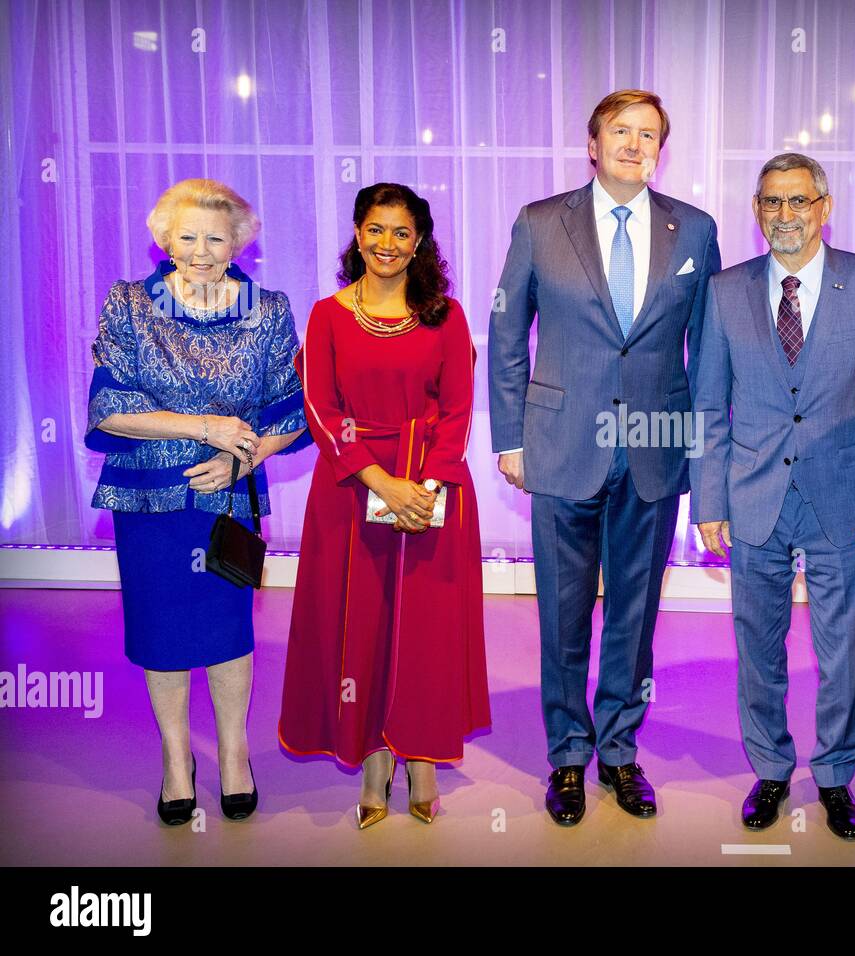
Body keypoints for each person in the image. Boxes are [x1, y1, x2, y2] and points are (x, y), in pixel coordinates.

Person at [489, 90, 720, 826]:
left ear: (661, 148)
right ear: (592, 144)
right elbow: (505, 336)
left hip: (653, 452)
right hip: (558, 447)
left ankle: (618, 749)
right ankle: (566, 756)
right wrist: (510, 438)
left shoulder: (696, 230)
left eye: (648, 132)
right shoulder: (538, 222)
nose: (633, 143)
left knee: (633, 612)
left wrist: (704, 452)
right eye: (620, 130)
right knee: (562, 613)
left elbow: (708, 351)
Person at [691, 153, 855, 840]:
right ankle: (770, 769)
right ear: (757, 210)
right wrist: (708, 503)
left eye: (798, 202)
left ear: (825, 206)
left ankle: (839, 776)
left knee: (844, 647)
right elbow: (706, 408)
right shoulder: (725, 291)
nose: (784, 216)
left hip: (844, 498)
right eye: (770, 203)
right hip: (750, 498)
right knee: (757, 644)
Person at [85, 178, 308, 825]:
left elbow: (292, 412)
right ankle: (175, 760)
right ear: (164, 239)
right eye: (188, 236)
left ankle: (236, 754)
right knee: (162, 631)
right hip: (148, 495)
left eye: (216, 237)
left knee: (228, 630)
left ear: (239, 241)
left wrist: (243, 454)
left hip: (227, 498)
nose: (203, 250)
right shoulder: (128, 304)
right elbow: (108, 408)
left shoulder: (268, 309)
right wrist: (204, 427)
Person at [279, 183, 490, 830]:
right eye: (376, 229)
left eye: (401, 233)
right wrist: (380, 482)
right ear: (357, 233)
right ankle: (373, 757)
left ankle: (422, 755)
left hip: (433, 488)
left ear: (419, 241)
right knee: (359, 627)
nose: (387, 244)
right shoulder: (327, 314)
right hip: (350, 491)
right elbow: (322, 408)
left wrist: (422, 489)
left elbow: (456, 410)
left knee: (427, 629)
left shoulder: (445, 315)